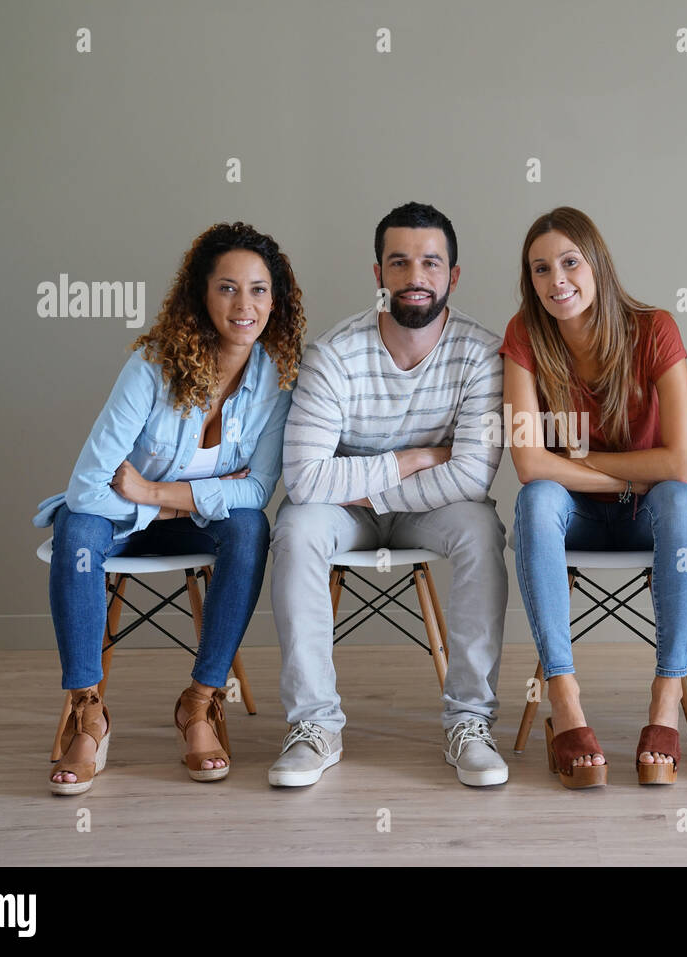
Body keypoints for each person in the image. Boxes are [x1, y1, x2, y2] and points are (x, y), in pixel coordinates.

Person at [33, 222, 304, 793]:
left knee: (251, 528)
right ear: (201, 295)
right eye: (227, 288)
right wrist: (178, 508)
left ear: (275, 301)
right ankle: (89, 713)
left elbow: (256, 492)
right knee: (76, 528)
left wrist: (154, 493)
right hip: (116, 524)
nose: (243, 304)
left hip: (173, 519)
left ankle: (200, 703)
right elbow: (87, 488)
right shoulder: (152, 367)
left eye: (258, 289)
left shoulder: (277, 383)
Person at [268, 202, 509, 788]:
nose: (415, 276)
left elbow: (473, 478)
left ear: (454, 276)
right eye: (399, 262)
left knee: (480, 527)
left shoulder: (482, 353)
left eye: (431, 262)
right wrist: (415, 458)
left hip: (404, 509)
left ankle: (469, 721)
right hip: (347, 516)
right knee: (297, 527)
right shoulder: (333, 355)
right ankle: (315, 725)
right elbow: (303, 480)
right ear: (378, 274)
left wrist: (368, 490)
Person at [503, 207, 687, 788]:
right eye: (541, 269)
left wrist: (575, 464)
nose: (556, 280)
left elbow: (680, 464)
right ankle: (564, 702)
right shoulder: (525, 335)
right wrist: (628, 477)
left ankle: (665, 701)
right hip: (576, 516)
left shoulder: (655, 328)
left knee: (680, 502)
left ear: (598, 265)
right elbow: (528, 462)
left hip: (650, 516)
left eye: (570, 262)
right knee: (538, 499)